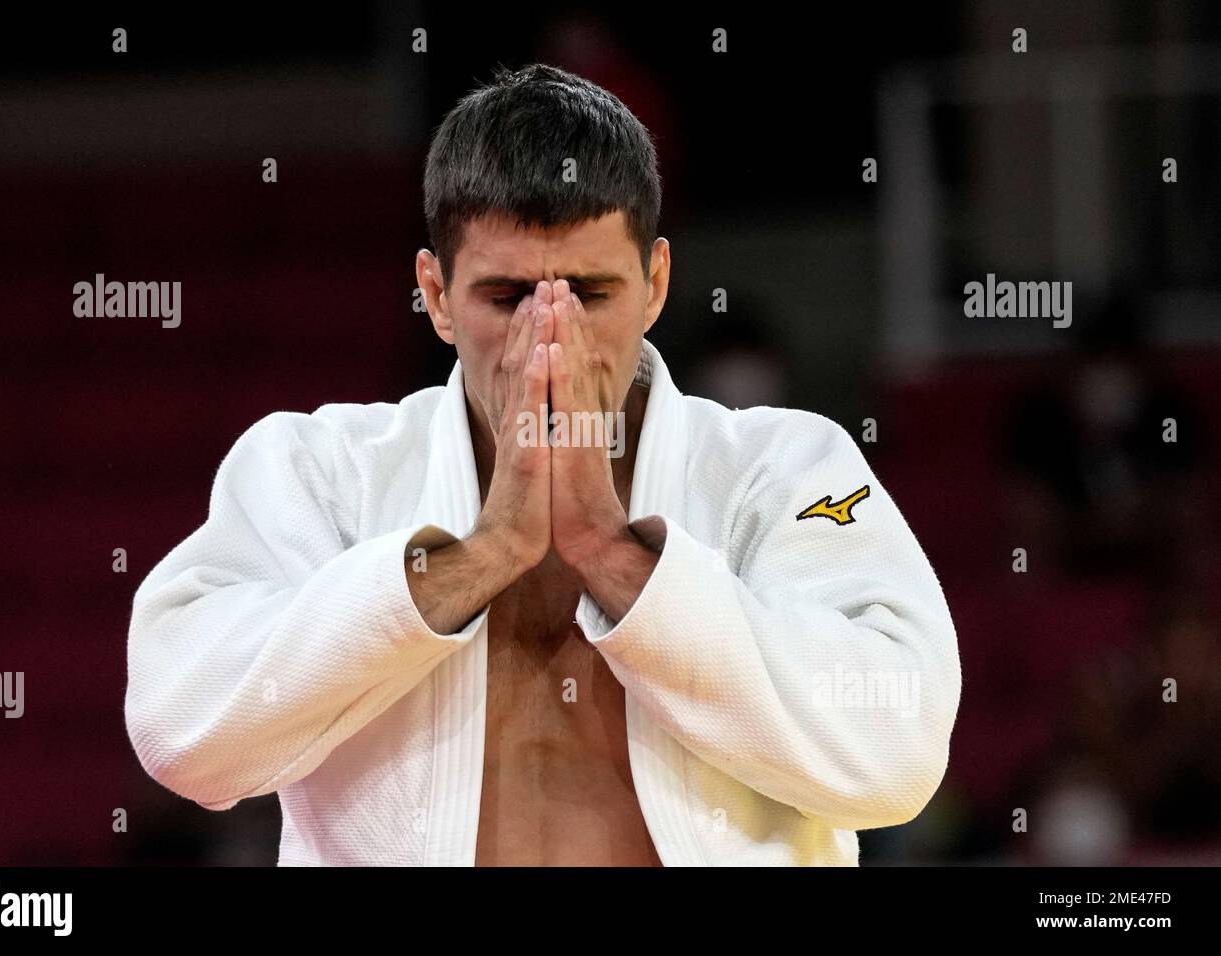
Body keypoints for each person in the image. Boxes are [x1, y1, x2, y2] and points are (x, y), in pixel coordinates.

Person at [124, 63, 961, 866]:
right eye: (506, 296)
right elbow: (182, 733)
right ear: (435, 294)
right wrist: (473, 559)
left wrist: (613, 552)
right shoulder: (320, 469)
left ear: (658, 281)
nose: (549, 336)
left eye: (590, 295)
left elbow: (899, 757)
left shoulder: (784, 473)